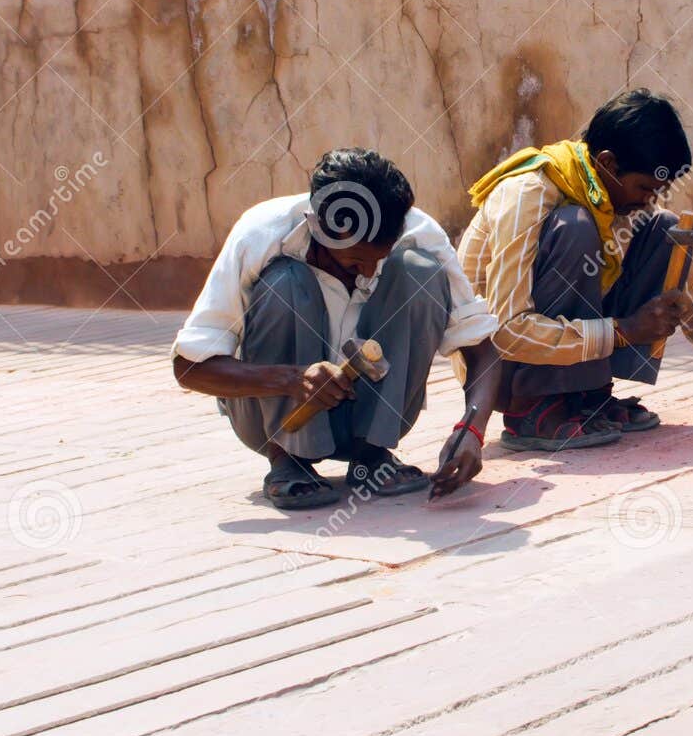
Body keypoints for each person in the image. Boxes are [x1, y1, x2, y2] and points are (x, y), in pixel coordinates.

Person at [172, 148, 502, 509]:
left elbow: (482, 351)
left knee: (420, 271)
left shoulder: (420, 233)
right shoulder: (261, 233)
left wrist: (471, 430)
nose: (366, 273)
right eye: (354, 261)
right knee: (285, 280)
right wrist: (291, 380)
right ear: (315, 226)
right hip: (273, 423)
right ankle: (288, 462)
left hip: (367, 418)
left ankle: (371, 455)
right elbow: (189, 367)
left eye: (377, 260)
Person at [455, 89, 693, 450]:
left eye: (657, 190)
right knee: (574, 227)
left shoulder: (605, 195)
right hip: (497, 372)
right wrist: (623, 330)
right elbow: (507, 331)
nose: (649, 199)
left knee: (664, 230)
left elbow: (689, 299)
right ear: (609, 164)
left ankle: (585, 398)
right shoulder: (529, 192)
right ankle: (533, 409)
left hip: (546, 350)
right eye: (644, 187)